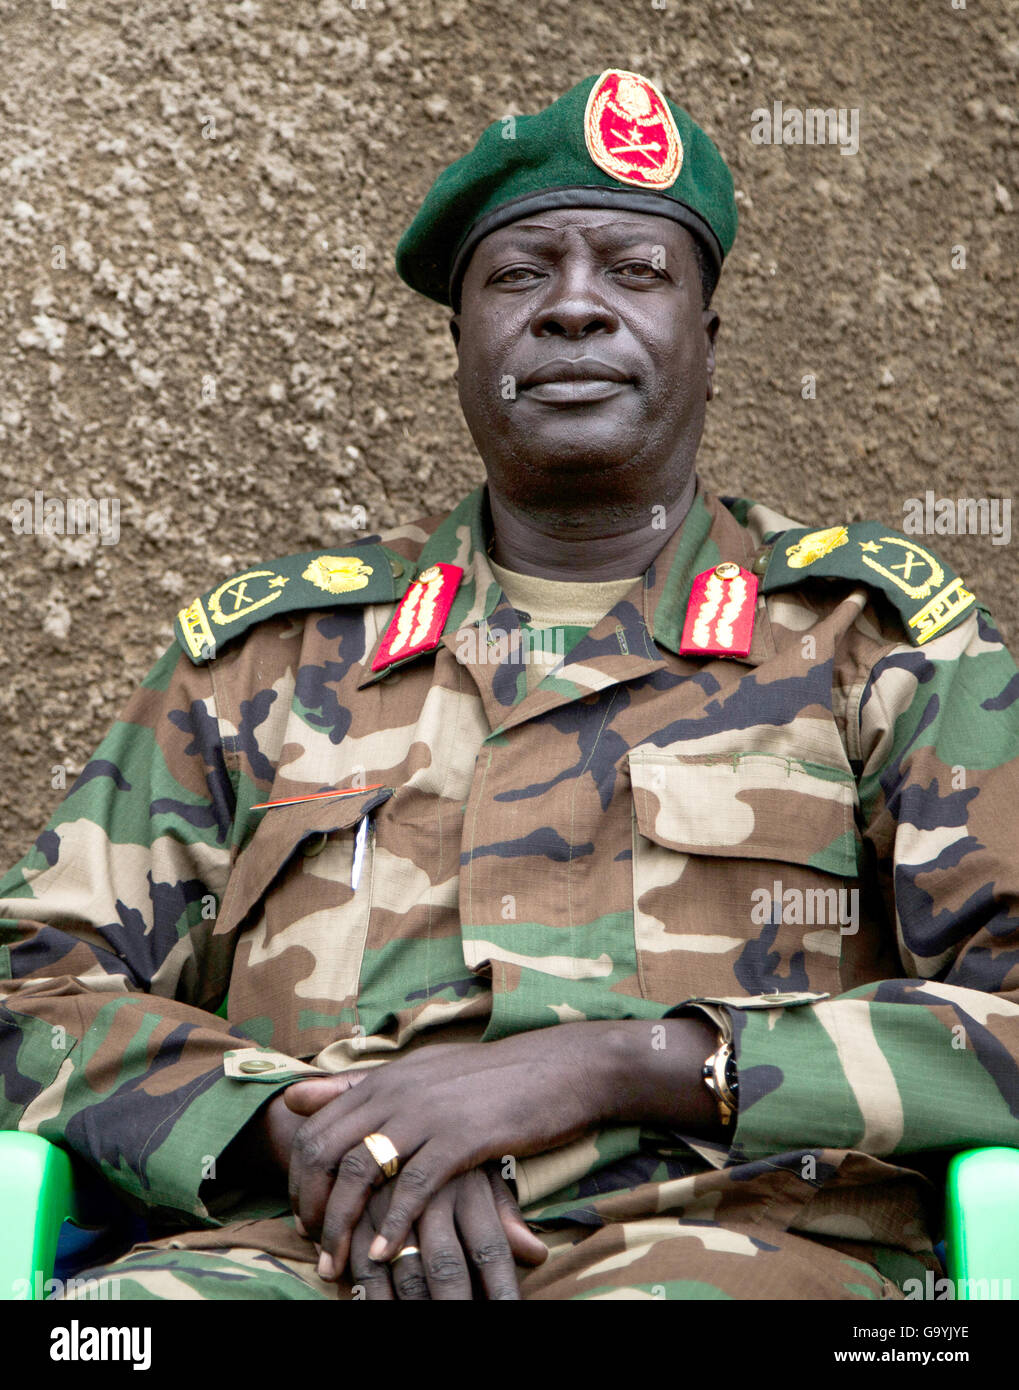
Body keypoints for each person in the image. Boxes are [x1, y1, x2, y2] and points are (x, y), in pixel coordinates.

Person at [2, 68, 1017, 1302]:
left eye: (633, 272)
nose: (572, 310)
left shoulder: (871, 643)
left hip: (738, 1247)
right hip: (299, 1253)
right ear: (461, 338)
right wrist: (312, 1128)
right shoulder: (269, 660)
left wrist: (622, 1066)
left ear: (706, 335)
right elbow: (30, 984)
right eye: (520, 273)